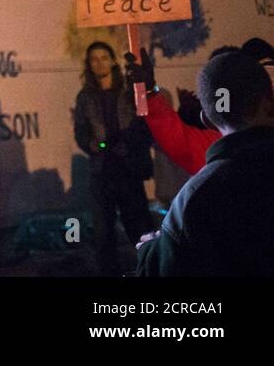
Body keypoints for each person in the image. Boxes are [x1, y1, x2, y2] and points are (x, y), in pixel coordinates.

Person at [137, 49, 274, 276]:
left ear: (207, 118)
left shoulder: (196, 195)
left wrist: (151, 253)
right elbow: (175, 135)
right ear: (268, 101)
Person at [126, 38, 273, 176]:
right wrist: (149, 93)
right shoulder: (229, 144)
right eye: (261, 77)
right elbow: (180, 141)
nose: (270, 85)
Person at [73, 41, 154, 275]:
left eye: (104, 57)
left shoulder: (128, 91)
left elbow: (143, 125)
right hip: (101, 171)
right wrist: (93, 146)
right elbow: (80, 131)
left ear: (112, 60)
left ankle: (150, 269)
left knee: (139, 227)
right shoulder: (85, 96)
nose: (99, 63)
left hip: (128, 169)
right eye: (94, 59)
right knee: (103, 234)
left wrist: (129, 146)